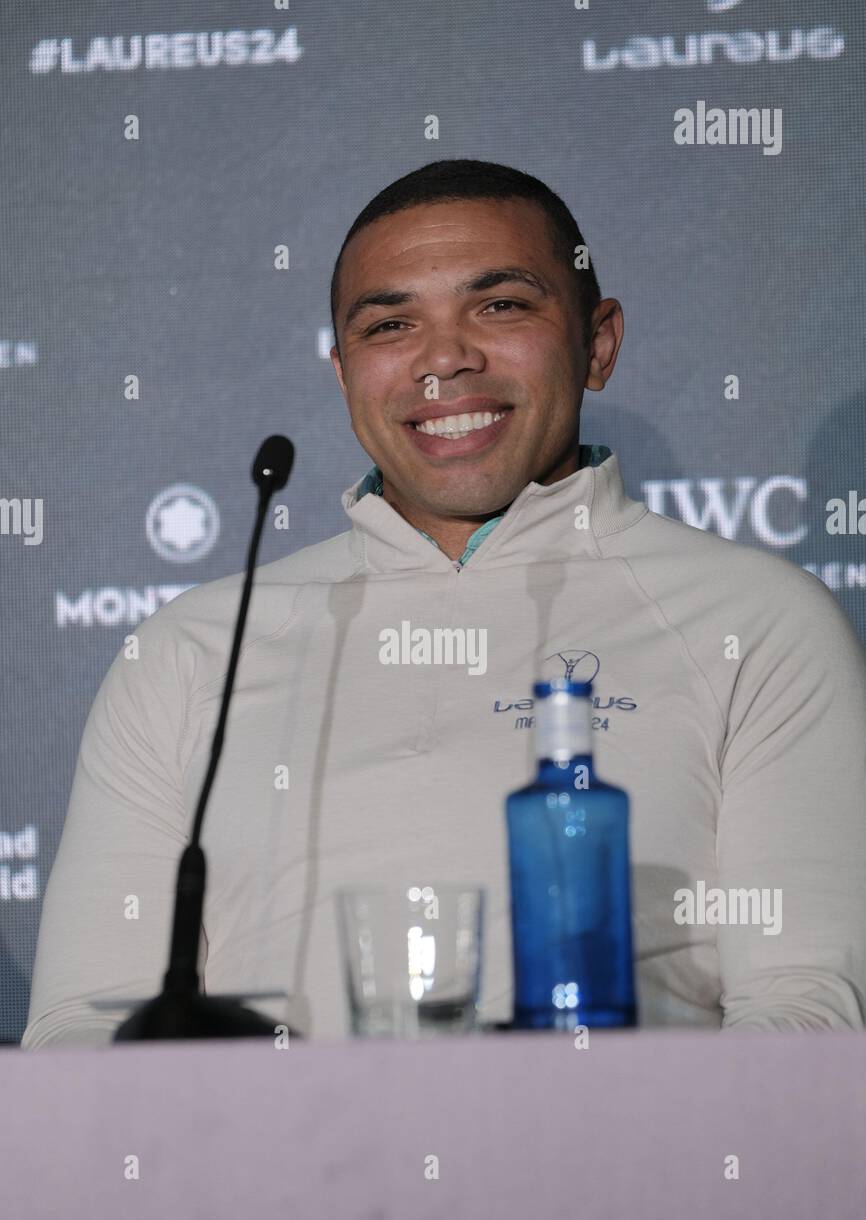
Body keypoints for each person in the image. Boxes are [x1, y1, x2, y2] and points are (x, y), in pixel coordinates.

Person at [21, 158, 866, 1047]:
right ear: (344, 372)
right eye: (392, 324)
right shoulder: (193, 651)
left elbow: (806, 1013)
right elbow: (82, 1032)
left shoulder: (757, 621)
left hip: (624, 1175)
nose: (444, 359)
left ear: (599, 342)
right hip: (265, 1177)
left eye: (501, 305)